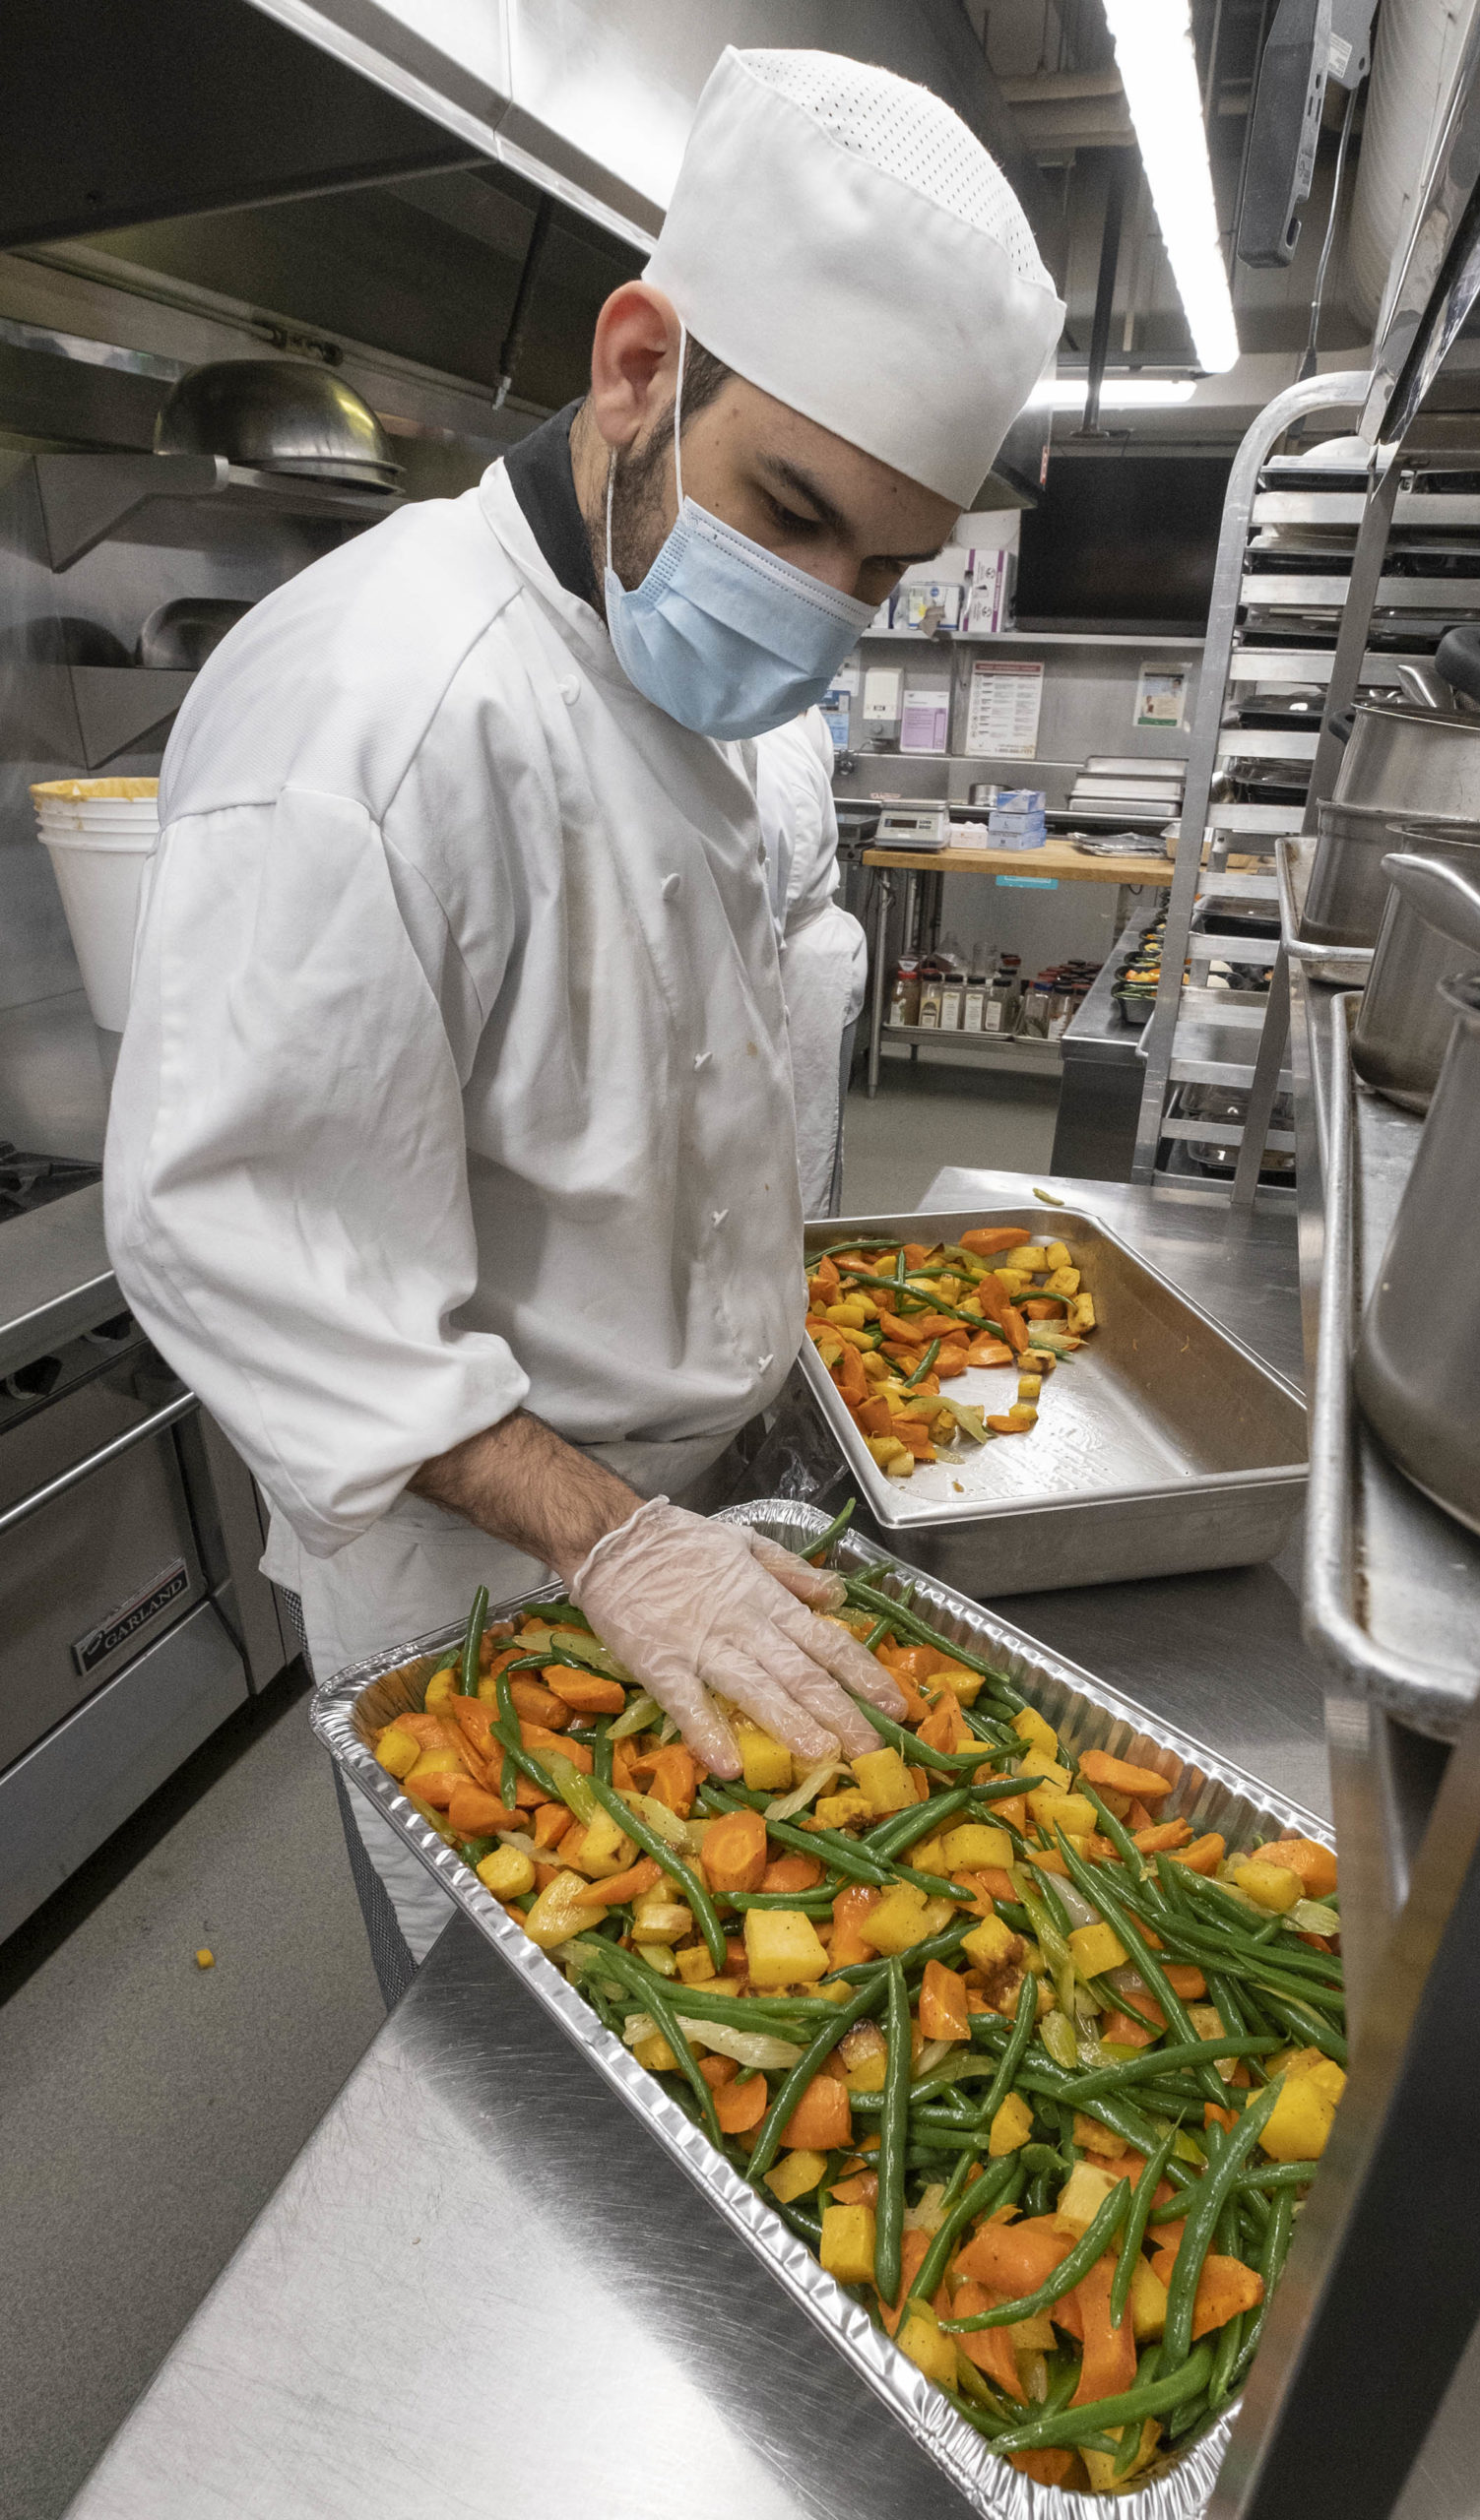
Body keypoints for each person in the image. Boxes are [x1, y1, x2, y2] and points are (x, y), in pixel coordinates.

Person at [103, 47, 1062, 1998]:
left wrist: (761, 1367)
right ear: (639, 363)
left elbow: (711, 1043)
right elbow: (254, 1247)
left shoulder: (737, 697)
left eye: (875, 569)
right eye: (788, 514)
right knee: (530, 2061)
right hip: (487, 1565)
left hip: (710, 1499)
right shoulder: (367, 717)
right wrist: (619, 1542)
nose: (814, 613)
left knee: (781, 1999)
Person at [755, 704, 867, 1215]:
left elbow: (760, 933)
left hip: (791, 976)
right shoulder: (785, 716)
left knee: (788, 1173)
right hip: (794, 954)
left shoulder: (771, 761)